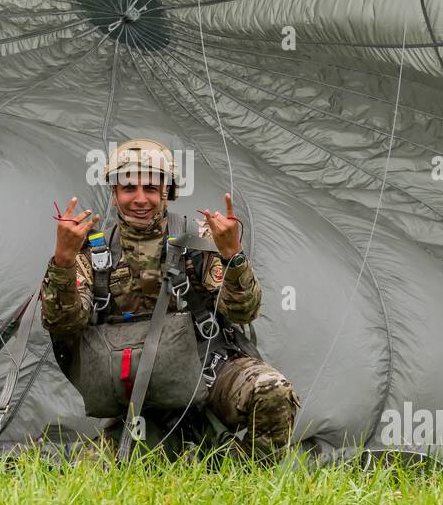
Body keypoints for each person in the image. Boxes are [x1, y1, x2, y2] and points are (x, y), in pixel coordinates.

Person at [40, 138, 300, 462]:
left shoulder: (199, 242)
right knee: (95, 471)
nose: (140, 199)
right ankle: (182, 453)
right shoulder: (92, 252)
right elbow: (62, 323)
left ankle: (236, 474)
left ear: (168, 191)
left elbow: (243, 311)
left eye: (151, 188)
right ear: (114, 193)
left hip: (208, 372)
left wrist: (233, 255)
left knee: (273, 392)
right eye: (128, 188)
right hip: (138, 397)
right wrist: (63, 262)